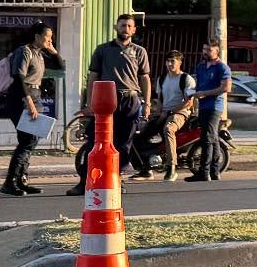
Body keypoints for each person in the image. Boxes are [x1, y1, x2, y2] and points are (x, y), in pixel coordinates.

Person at [66, 14, 151, 196]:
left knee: (123, 144)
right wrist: (90, 103)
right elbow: (93, 77)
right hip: (106, 99)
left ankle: (115, 180)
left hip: (130, 100)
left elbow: (145, 78)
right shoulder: (102, 50)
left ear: (134, 30)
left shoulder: (139, 51)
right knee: (94, 142)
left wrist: (148, 103)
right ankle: (85, 182)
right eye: (122, 25)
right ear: (116, 27)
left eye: (129, 26)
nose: (125, 29)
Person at [0, 23, 63, 196]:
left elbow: (60, 67)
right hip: (21, 96)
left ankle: (22, 179)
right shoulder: (24, 51)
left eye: (51, 37)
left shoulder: (39, 53)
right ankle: (10, 182)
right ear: (36, 36)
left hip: (35, 94)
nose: (49, 40)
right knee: (27, 140)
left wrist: (53, 50)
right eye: (47, 37)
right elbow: (19, 77)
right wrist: (29, 102)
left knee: (32, 139)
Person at [131, 51, 196, 181]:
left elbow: (189, 102)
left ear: (180, 63)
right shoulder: (162, 79)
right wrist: (157, 114)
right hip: (164, 112)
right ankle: (145, 169)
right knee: (138, 135)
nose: (170, 64)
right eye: (168, 61)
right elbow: (160, 100)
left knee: (168, 129)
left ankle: (171, 167)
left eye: (173, 61)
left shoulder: (186, 79)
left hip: (181, 113)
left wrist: (171, 112)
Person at [185, 40, 232, 183]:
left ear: (217, 51)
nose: (206, 52)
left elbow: (225, 88)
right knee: (213, 138)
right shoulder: (201, 66)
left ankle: (204, 172)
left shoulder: (222, 68)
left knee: (206, 138)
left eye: (209, 50)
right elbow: (199, 85)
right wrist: (194, 94)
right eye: (204, 49)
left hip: (214, 107)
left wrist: (206, 93)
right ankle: (214, 171)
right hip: (203, 106)